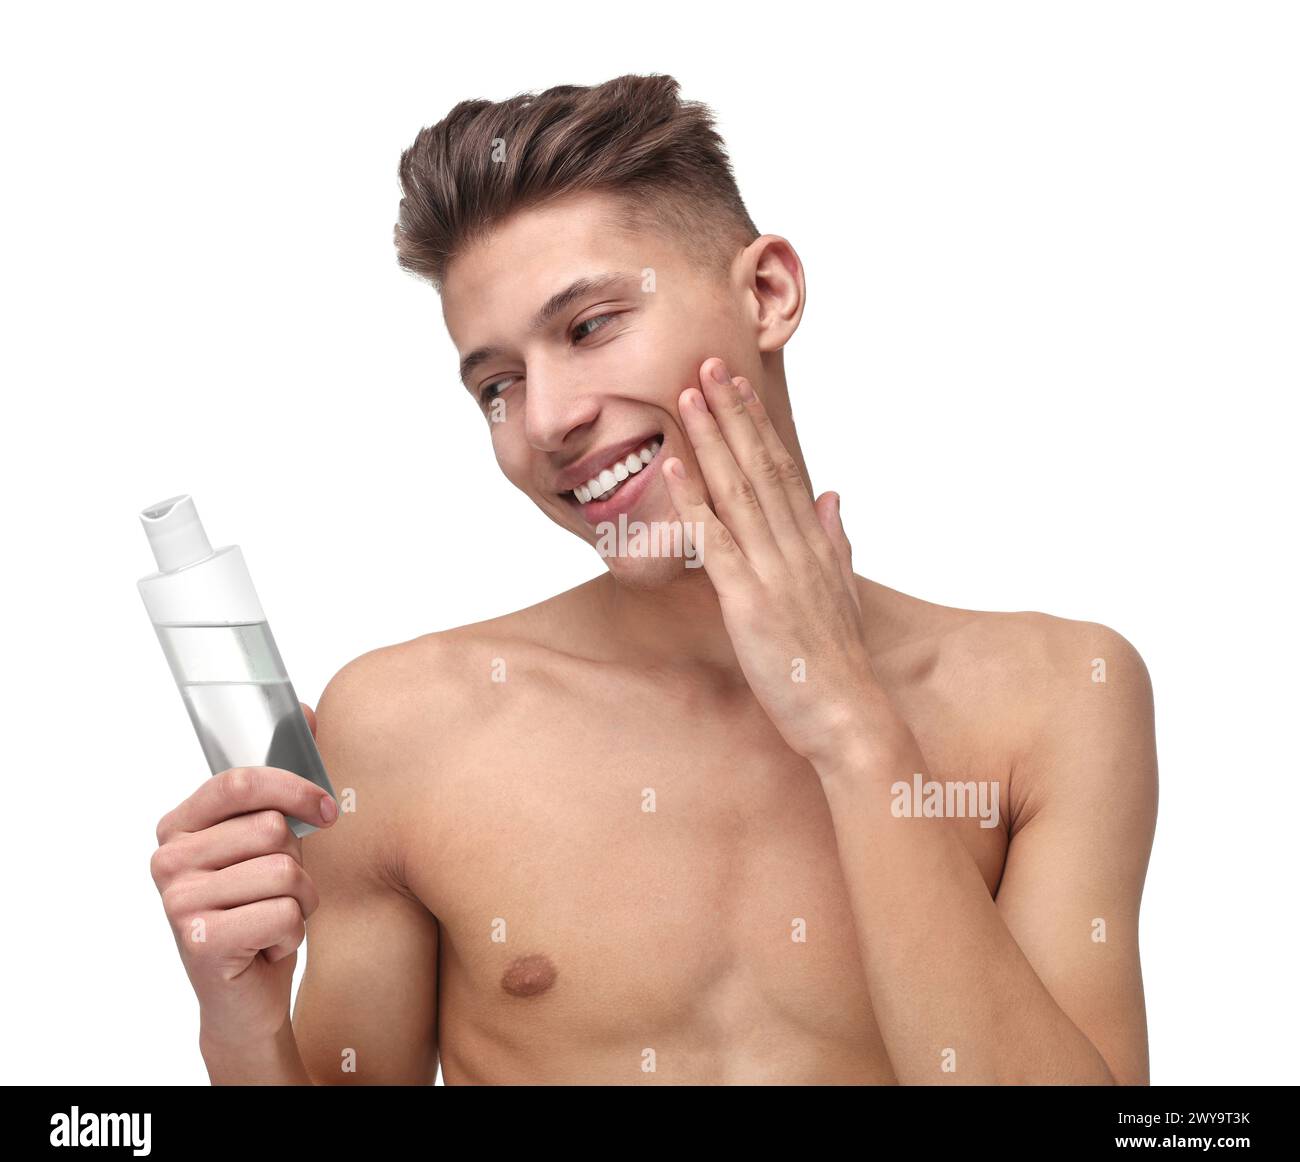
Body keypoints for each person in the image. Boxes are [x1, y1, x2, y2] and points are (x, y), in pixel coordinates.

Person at [151, 73, 1157, 1085]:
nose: (545, 420)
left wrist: (851, 725)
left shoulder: (1056, 700)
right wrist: (239, 1034)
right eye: (497, 385)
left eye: (589, 326)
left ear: (766, 293)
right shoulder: (402, 728)